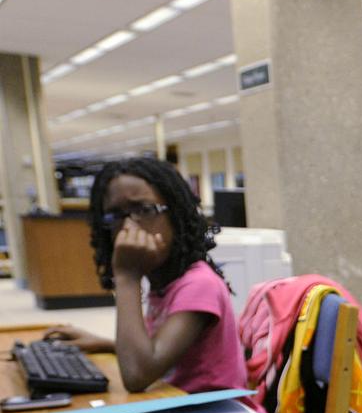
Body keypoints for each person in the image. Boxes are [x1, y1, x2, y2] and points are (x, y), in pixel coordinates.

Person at [46, 157, 249, 399]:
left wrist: (127, 277)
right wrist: (104, 343)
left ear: (176, 214)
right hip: (181, 405)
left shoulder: (199, 284)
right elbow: (156, 351)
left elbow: (137, 374)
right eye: (115, 215)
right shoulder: (164, 280)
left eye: (144, 210)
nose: (128, 227)